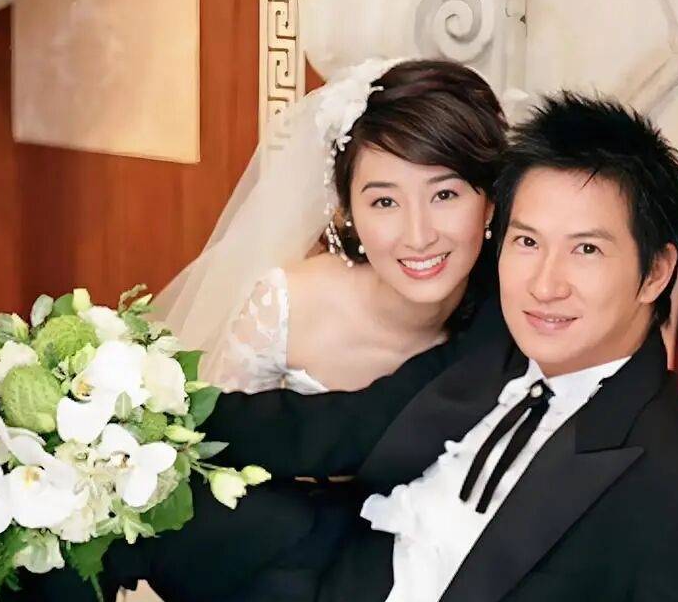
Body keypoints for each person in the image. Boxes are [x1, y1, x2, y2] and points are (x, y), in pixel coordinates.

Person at [0, 93, 678, 602]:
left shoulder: (675, 487)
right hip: (312, 551)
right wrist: (142, 408)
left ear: (656, 270)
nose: (544, 282)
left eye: (587, 250)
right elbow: (342, 426)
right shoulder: (506, 334)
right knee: (111, 487)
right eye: (527, 242)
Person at [156, 58, 508, 394]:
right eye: (385, 202)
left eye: (444, 195)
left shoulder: (516, 312)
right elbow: (223, 430)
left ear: (490, 203)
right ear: (348, 211)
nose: (419, 236)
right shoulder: (284, 310)